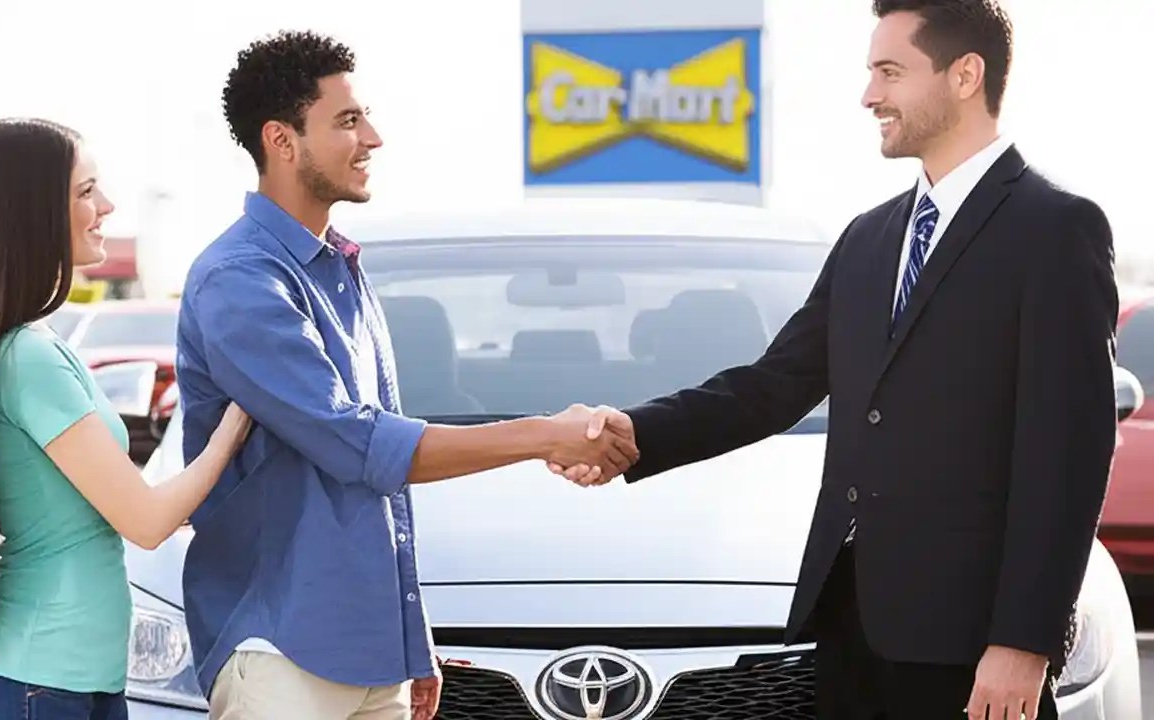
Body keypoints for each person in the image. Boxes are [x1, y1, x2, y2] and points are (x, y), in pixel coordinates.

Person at [552, 2, 1117, 719]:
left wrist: (1024, 642)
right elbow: (772, 385)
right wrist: (631, 435)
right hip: (849, 627)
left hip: (972, 648)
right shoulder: (869, 238)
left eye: (890, 71)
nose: (869, 95)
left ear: (965, 75)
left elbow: (1067, 456)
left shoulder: (1055, 229)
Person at [174, 30, 636, 720]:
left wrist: (409, 639)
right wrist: (545, 434)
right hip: (281, 658)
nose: (374, 138)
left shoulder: (341, 269)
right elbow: (360, 446)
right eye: (349, 121)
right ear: (282, 140)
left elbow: (378, 496)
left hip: (371, 657)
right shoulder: (241, 281)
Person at [0, 118, 253, 720]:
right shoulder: (28, 357)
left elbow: (110, 511)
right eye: (85, 191)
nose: (107, 205)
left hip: (66, 681)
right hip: (37, 686)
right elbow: (145, 520)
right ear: (33, 211)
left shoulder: (35, 343)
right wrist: (235, 426)